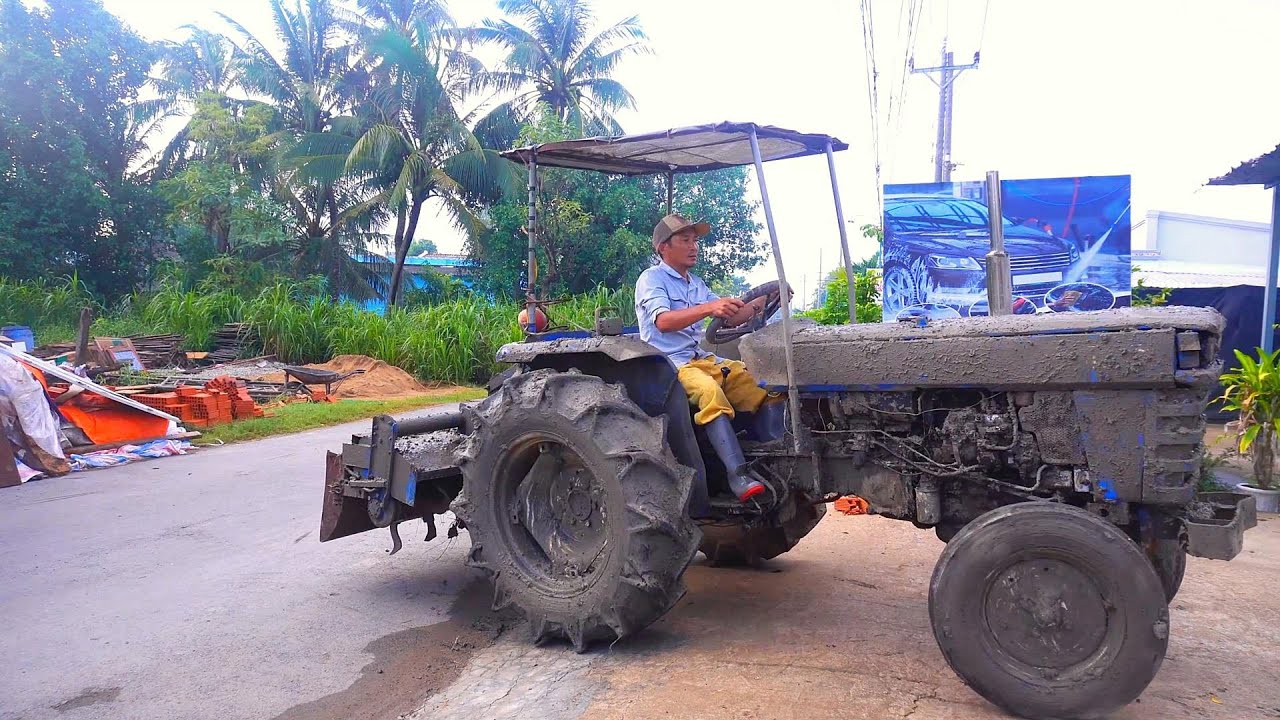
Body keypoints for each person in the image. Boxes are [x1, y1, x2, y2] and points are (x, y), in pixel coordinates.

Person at [634, 214, 785, 502]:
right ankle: (737, 475)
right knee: (708, 392)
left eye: (696, 241)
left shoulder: (695, 283)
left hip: (701, 358)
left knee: (766, 384)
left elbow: (729, 316)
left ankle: (778, 461)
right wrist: (709, 308)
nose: (694, 247)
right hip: (669, 364)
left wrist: (761, 303)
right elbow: (663, 321)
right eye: (685, 240)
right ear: (663, 247)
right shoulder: (651, 279)